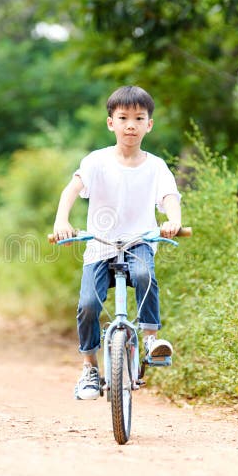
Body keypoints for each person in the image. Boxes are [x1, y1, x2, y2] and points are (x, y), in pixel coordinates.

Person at [52, 85, 182, 400]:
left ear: (149, 124)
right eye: (123, 117)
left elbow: (169, 197)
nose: (130, 125)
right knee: (88, 305)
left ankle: (151, 339)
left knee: (143, 274)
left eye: (139, 118)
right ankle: (89, 369)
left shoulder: (156, 167)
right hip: (100, 245)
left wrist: (173, 221)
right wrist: (62, 220)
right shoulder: (96, 161)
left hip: (139, 241)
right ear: (111, 122)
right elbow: (72, 189)